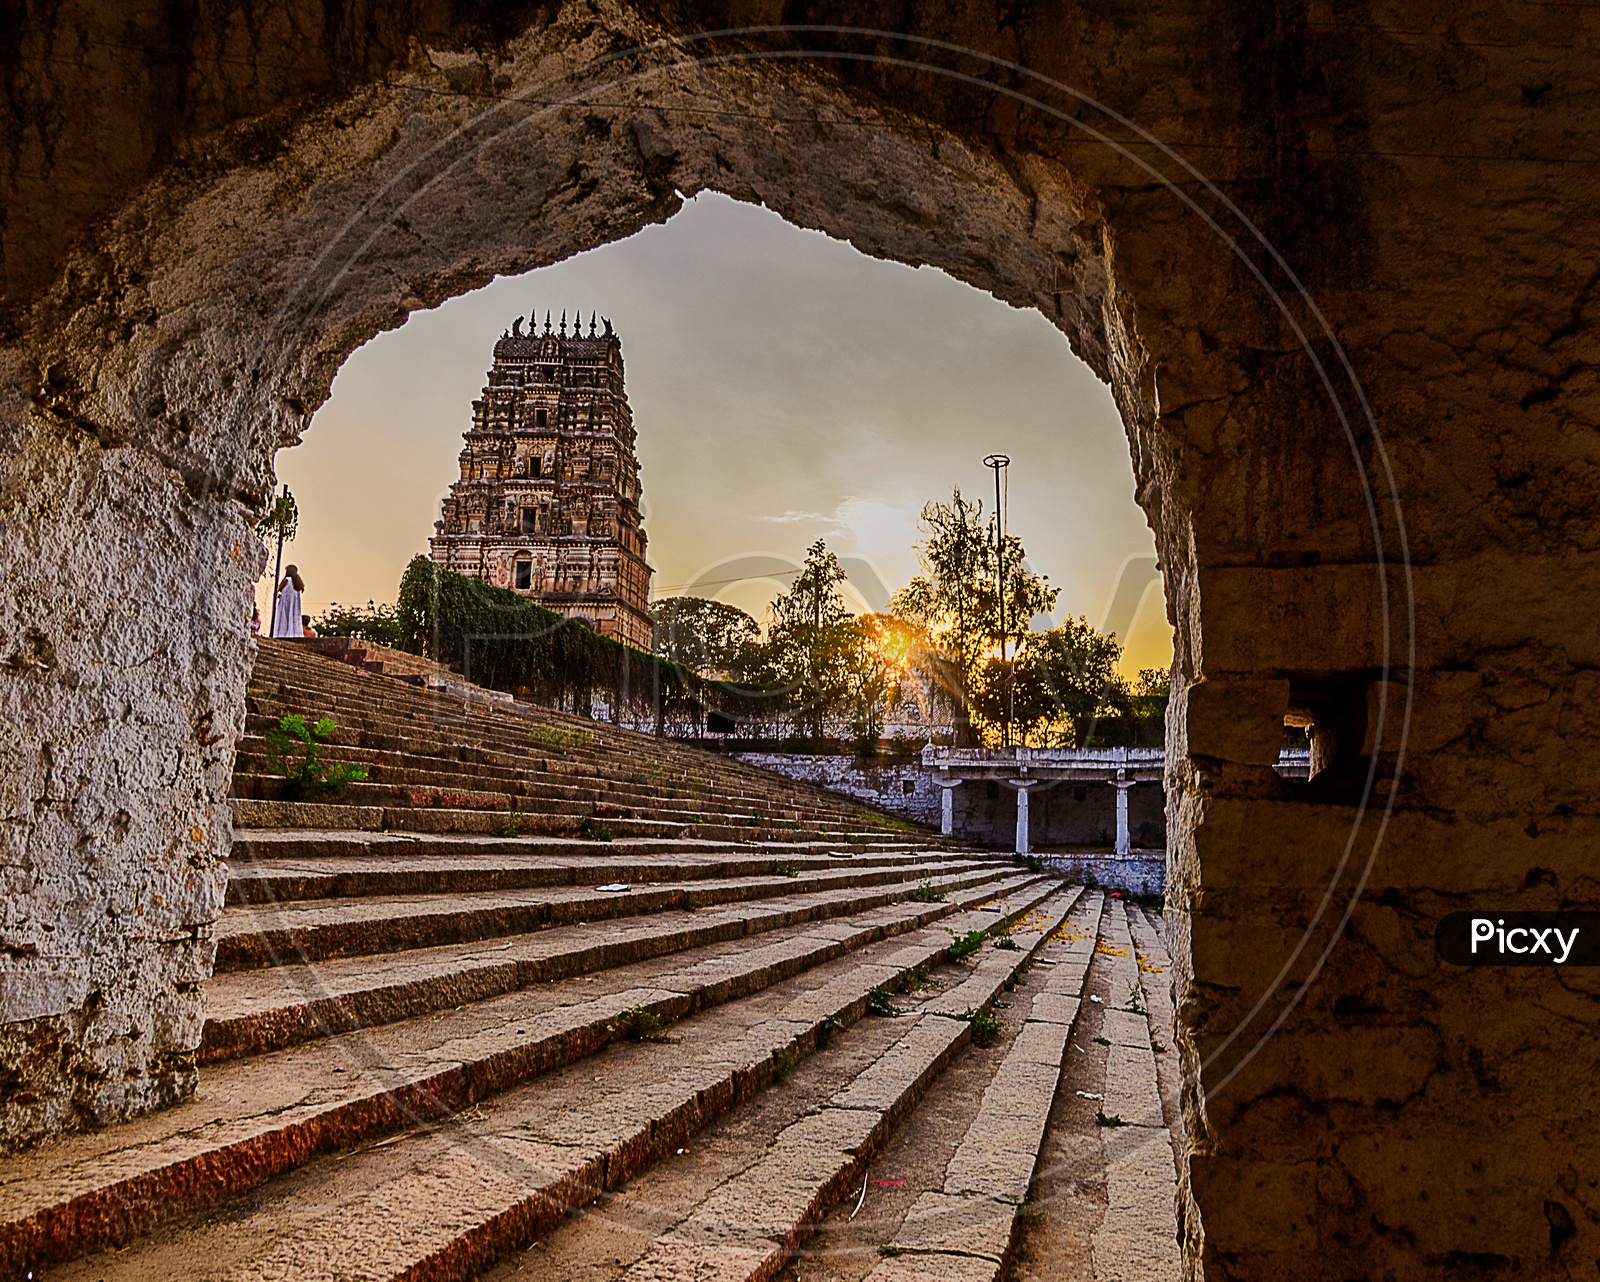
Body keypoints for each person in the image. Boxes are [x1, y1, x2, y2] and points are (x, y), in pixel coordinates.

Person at [271, 565, 304, 639]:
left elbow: (278, 589)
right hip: (294, 606)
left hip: (285, 604)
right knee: (292, 618)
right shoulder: (298, 584)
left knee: (283, 618)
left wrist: (280, 595)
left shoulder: (287, 579)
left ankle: (282, 633)